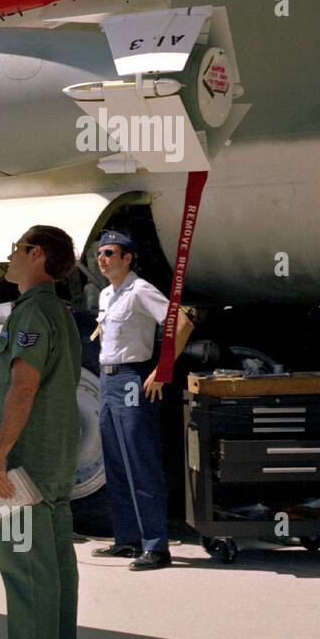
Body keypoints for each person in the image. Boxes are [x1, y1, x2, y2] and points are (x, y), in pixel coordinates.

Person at [0, 226, 82, 639]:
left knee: (22, 566)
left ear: (36, 254)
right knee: (55, 559)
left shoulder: (32, 313)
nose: (9, 258)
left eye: (16, 249)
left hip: (21, 462)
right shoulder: (58, 311)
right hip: (52, 457)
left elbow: (23, 387)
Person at [91, 230, 195, 571]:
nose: (102, 259)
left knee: (140, 461)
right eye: (99, 253)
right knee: (116, 462)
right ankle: (127, 539)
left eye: (109, 252)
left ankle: (156, 546)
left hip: (132, 379)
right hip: (108, 379)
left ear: (127, 258)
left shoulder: (140, 290)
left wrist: (162, 369)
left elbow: (181, 323)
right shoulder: (107, 294)